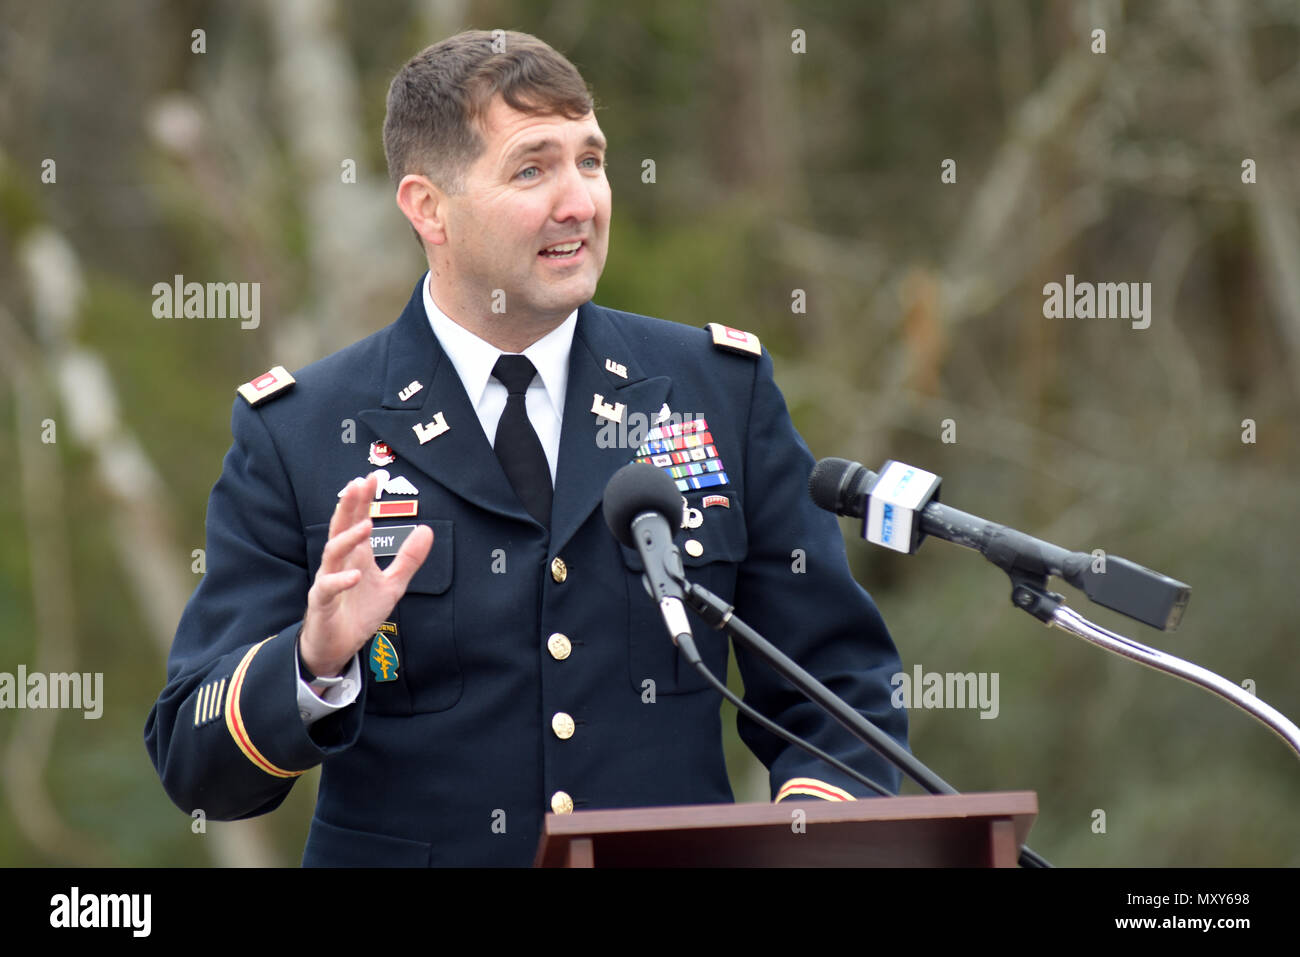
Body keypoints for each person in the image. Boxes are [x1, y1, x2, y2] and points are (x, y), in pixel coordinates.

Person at [145, 29, 909, 866]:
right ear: (427, 207)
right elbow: (194, 757)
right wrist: (312, 661)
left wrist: (803, 835)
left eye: (592, 159)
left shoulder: (718, 388)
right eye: (532, 168)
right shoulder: (298, 429)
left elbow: (837, 684)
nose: (580, 201)